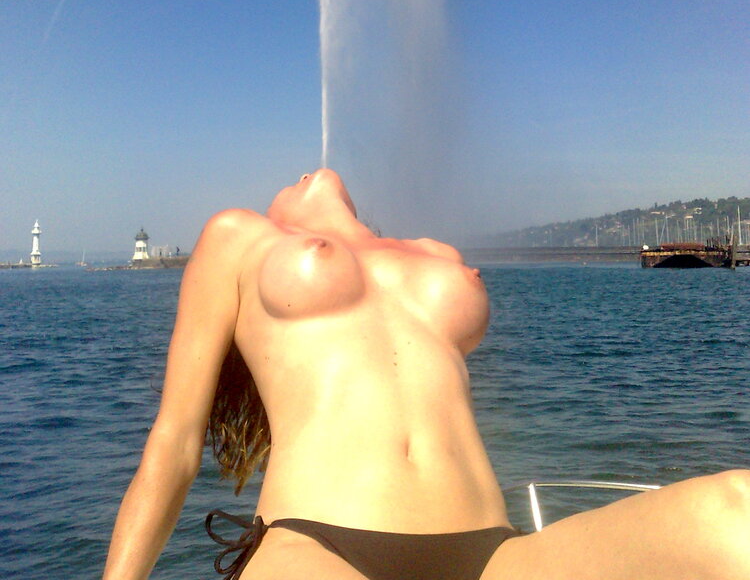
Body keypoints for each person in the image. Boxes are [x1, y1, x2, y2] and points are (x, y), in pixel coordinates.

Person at [103, 169, 750, 580]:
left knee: (736, 510)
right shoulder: (239, 236)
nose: (307, 170)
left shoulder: (431, 255)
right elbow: (174, 443)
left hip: (491, 553)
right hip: (317, 544)